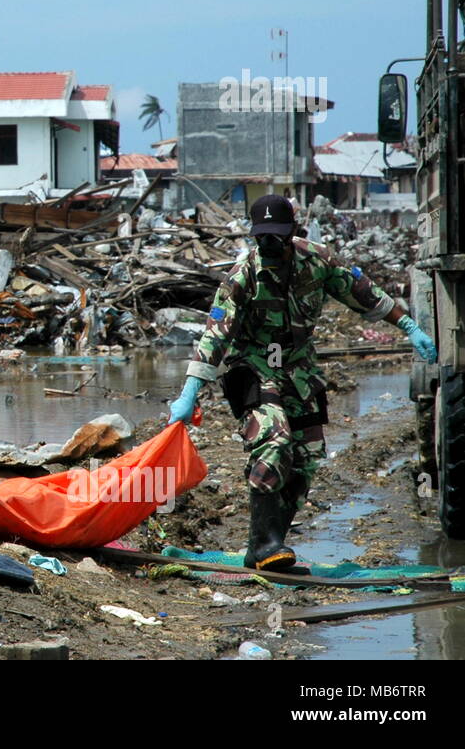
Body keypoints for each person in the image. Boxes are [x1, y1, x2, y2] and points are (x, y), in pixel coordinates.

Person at [167, 195, 438, 570]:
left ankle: (267, 547)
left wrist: (408, 326)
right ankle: (265, 544)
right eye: (261, 238)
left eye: (276, 237)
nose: (269, 245)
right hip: (256, 366)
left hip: (298, 370)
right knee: (275, 443)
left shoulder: (317, 261)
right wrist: (189, 393)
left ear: (293, 230)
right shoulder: (242, 275)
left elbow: (363, 293)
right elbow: (215, 336)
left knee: (306, 460)